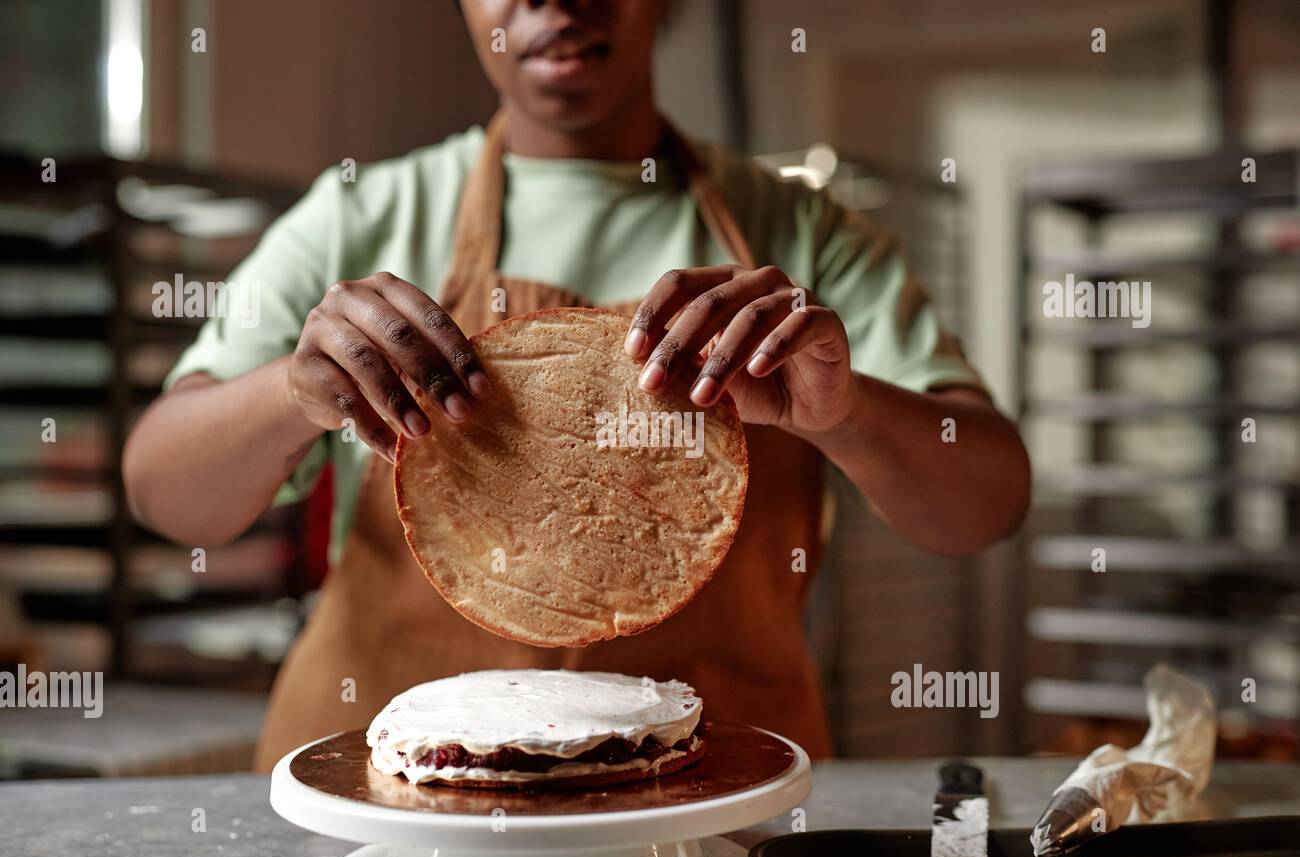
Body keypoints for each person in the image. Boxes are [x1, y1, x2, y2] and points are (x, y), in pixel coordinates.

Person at [123, 0, 1030, 769]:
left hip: (708, 800)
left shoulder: (798, 236)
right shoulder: (361, 216)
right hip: (399, 798)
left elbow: (985, 504)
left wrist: (850, 413)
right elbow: (166, 494)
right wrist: (289, 391)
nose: (556, 0)